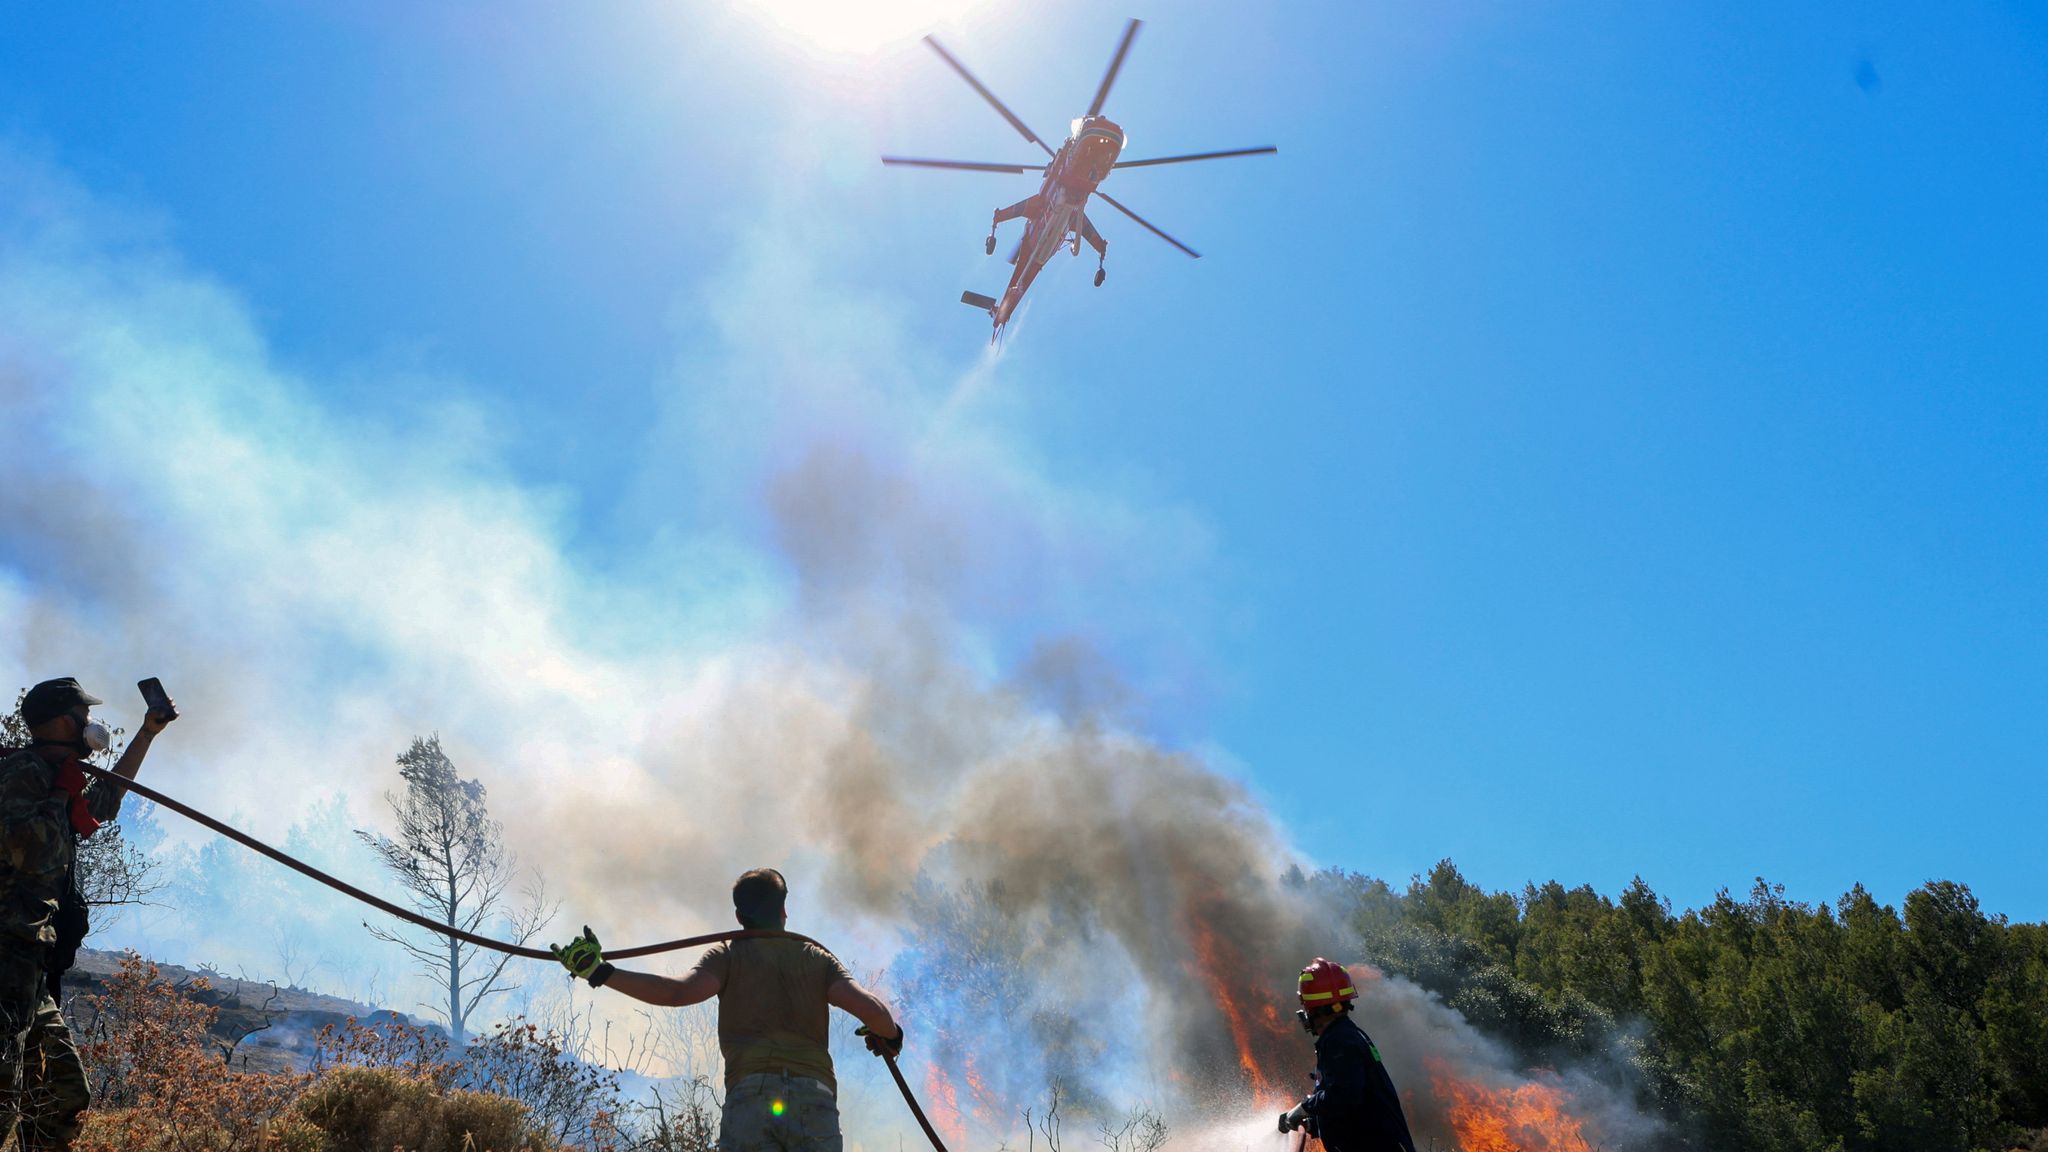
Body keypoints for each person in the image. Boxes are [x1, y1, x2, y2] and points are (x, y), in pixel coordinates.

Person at [553, 868, 904, 1152]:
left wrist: (601, 972)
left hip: (750, 1098)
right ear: (784, 910)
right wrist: (890, 1037)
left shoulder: (728, 955)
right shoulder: (816, 958)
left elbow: (679, 992)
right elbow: (871, 1010)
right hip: (814, 1100)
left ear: (739, 916)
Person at [0, 676, 177, 1151]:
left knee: (61, 1098)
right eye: (83, 714)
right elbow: (22, 848)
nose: (90, 724)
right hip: (4, 955)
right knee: (1, 1099)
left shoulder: (61, 775)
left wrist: (147, 735)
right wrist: (60, 791)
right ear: (62, 720)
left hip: (29, 967)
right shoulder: (22, 772)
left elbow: (104, 802)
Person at [1277, 958, 1417, 1152]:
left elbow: (1344, 1094)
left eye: (1306, 1006)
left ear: (1314, 1009)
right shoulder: (1347, 1035)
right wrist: (1313, 1123)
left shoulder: (1339, 1042)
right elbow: (1354, 1107)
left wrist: (1304, 1107)